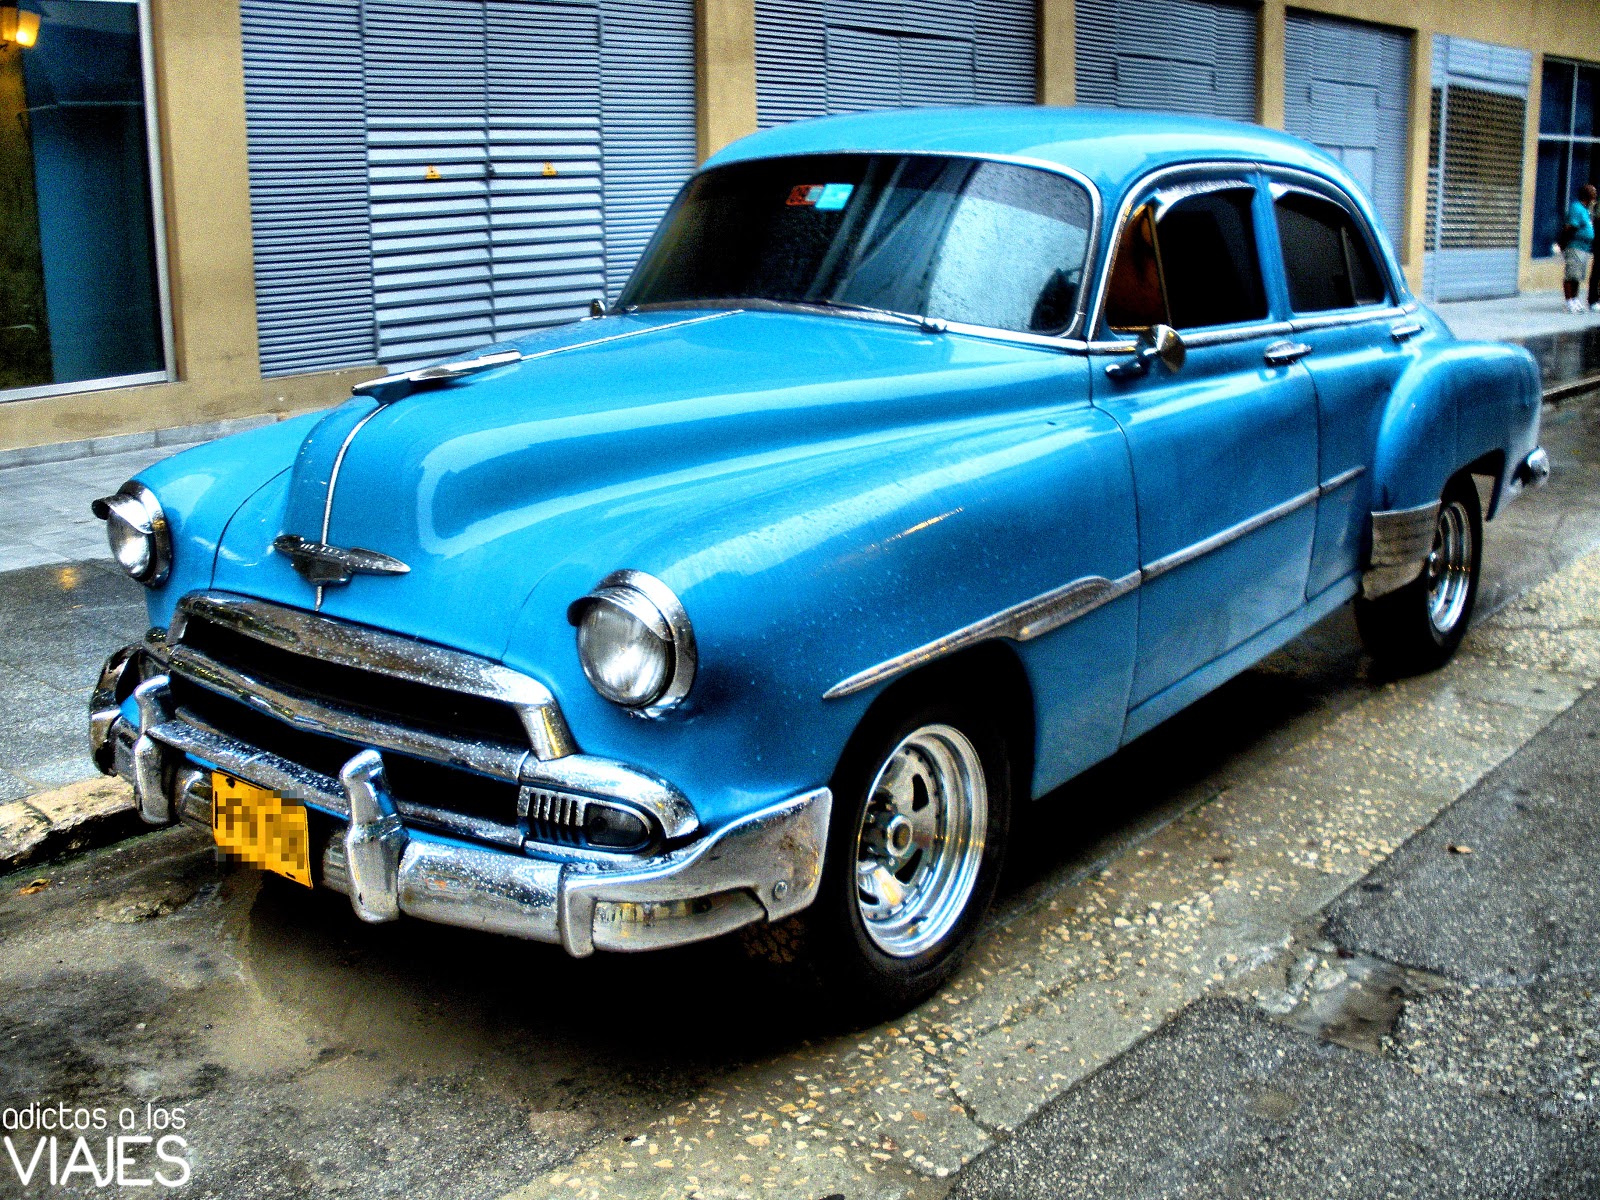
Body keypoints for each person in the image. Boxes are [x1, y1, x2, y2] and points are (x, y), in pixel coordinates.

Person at [1562, 183, 1595, 314]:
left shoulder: (1585, 209)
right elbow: (1569, 227)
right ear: (1586, 194)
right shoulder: (1576, 208)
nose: (1595, 194)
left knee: (1577, 276)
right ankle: (1569, 302)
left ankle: (1575, 299)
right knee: (1571, 275)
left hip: (1584, 248)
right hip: (1575, 246)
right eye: (1593, 192)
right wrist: (1564, 243)